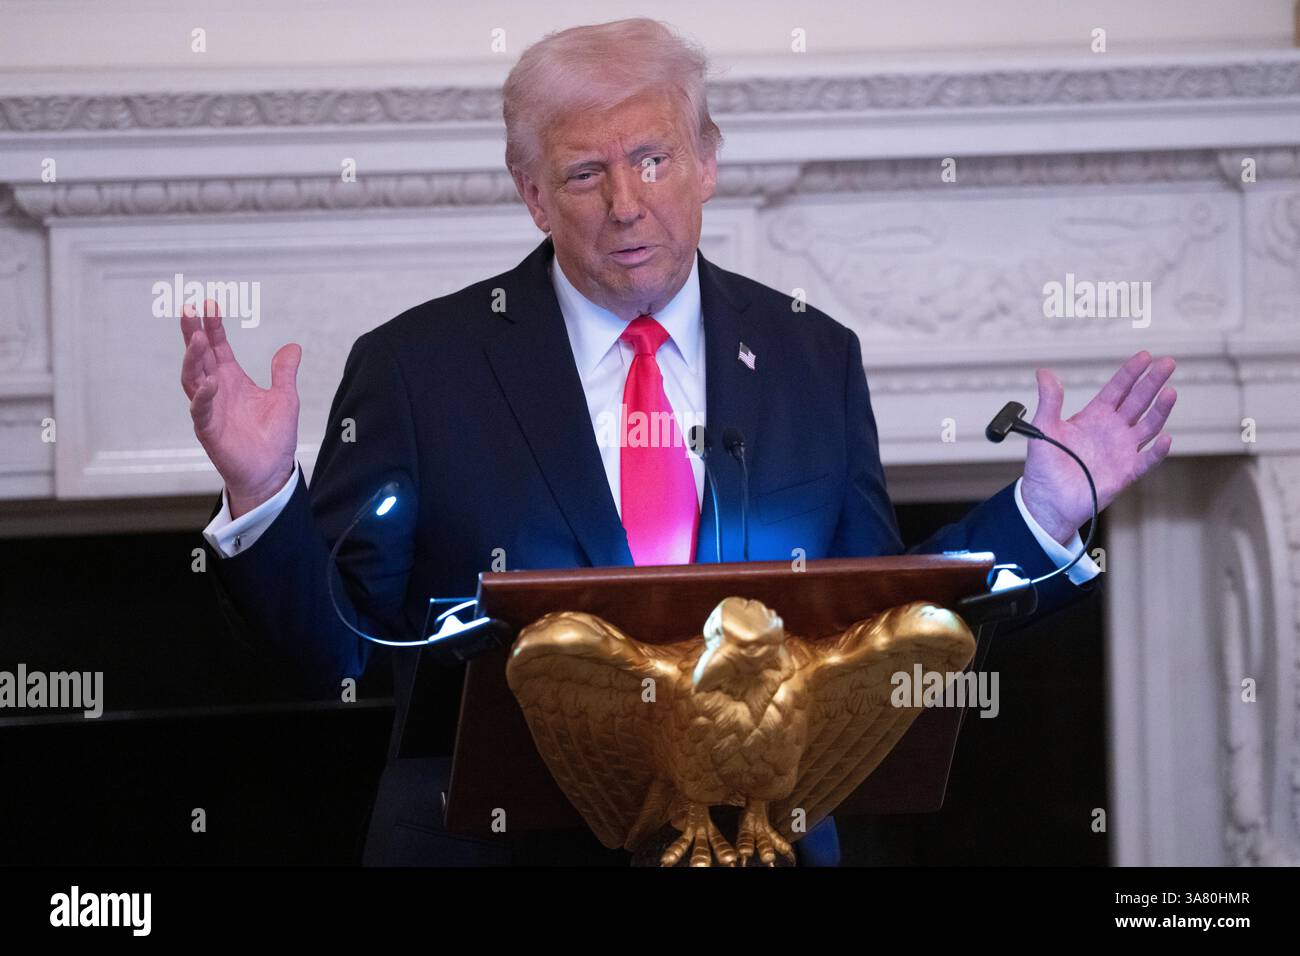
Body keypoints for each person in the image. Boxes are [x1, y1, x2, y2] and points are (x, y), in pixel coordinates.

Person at [178, 18, 1177, 866]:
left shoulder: (808, 356)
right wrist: (263, 494)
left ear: (706, 160)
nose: (624, 202)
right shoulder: (415, 369)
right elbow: (340, 653)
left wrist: (1040, 511)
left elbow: (872, 619)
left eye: (652, 158)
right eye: (583, 172)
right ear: (530, 192)